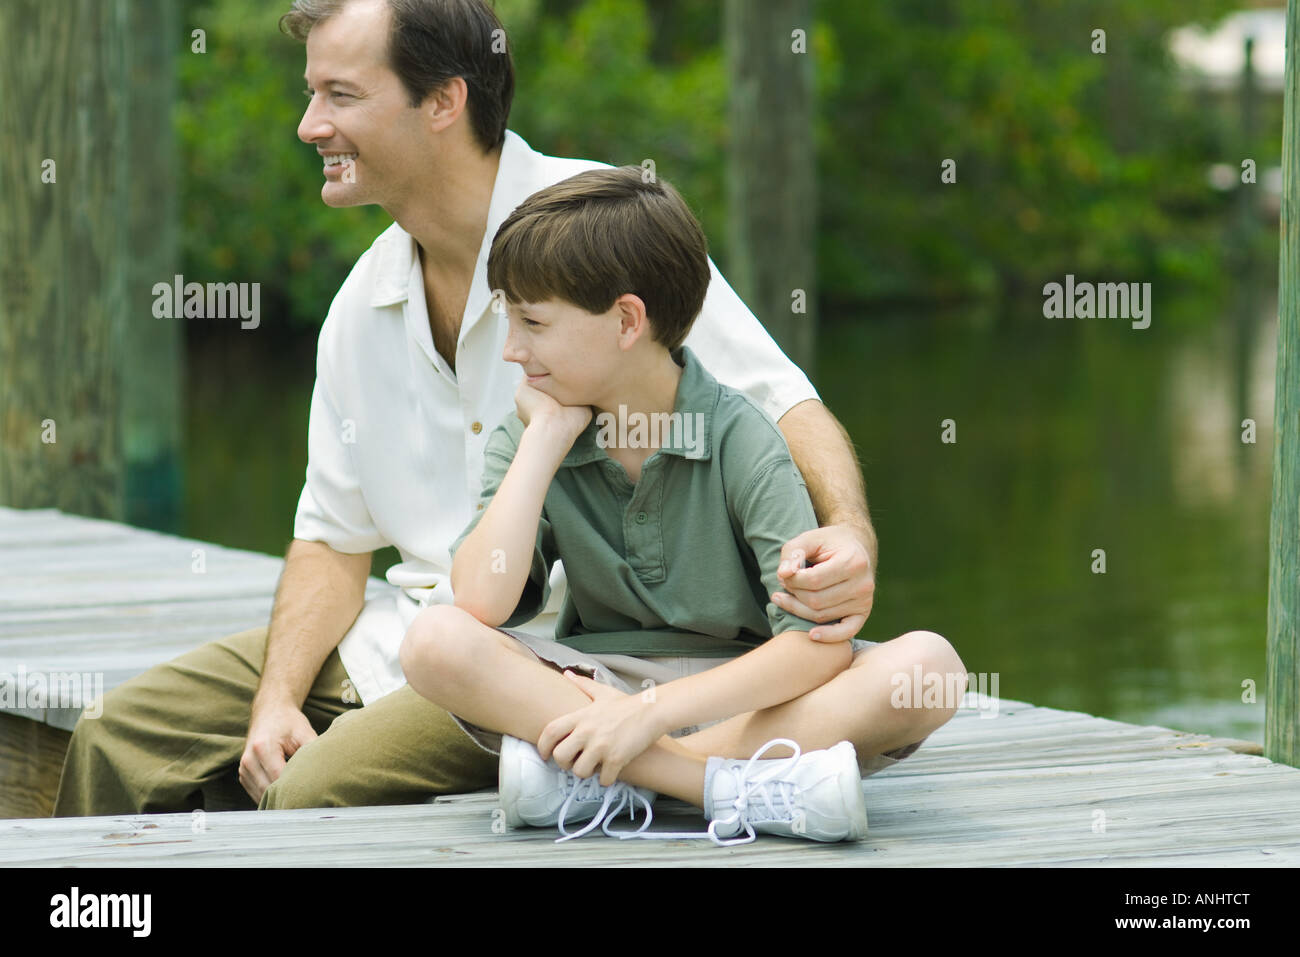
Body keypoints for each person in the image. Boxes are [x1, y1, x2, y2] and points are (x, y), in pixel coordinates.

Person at [52, 0, 953, 818]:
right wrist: (277, 696)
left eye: (339, 95)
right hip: (417, 635)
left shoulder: (599, 235)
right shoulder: (360, 305)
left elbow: (783, 404)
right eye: (310, 94)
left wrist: (851, 539)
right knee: (113, 736)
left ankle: (660, 768)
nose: (308, 124)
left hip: (543, 658)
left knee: (306, 795)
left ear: (442, 101)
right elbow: (331, 538)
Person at [398, 166, 967, 844]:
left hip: (747, 699)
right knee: (434, 638)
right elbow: (482, 603)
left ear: (627, 320)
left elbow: (813, 650)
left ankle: (607, 775)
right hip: (592, 686)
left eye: (532, 322)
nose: (513, 349)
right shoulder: (529, 433)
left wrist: (649, 717)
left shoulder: (741, 436)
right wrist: (544, 442)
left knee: (930, 668)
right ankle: (731, 788)